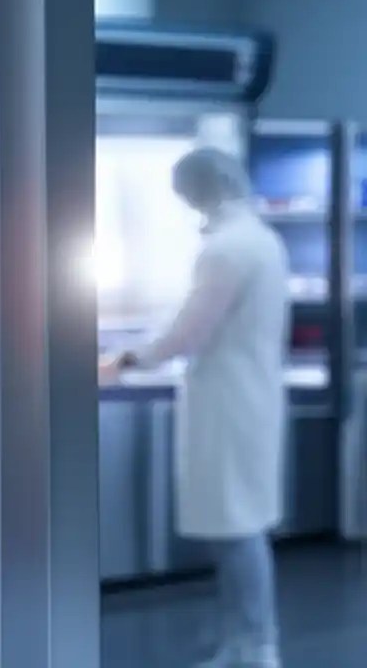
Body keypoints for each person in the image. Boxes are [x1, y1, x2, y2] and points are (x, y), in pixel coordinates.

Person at [101, 148, 289, 668]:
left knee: (237, 530)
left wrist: (127, 359)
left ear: (199, 190)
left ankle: (256, 647)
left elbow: (189, 331)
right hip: (246, 397)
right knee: (238, 527)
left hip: (228, 403)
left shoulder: (227, 249)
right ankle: (243, 644)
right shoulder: (259, 240)